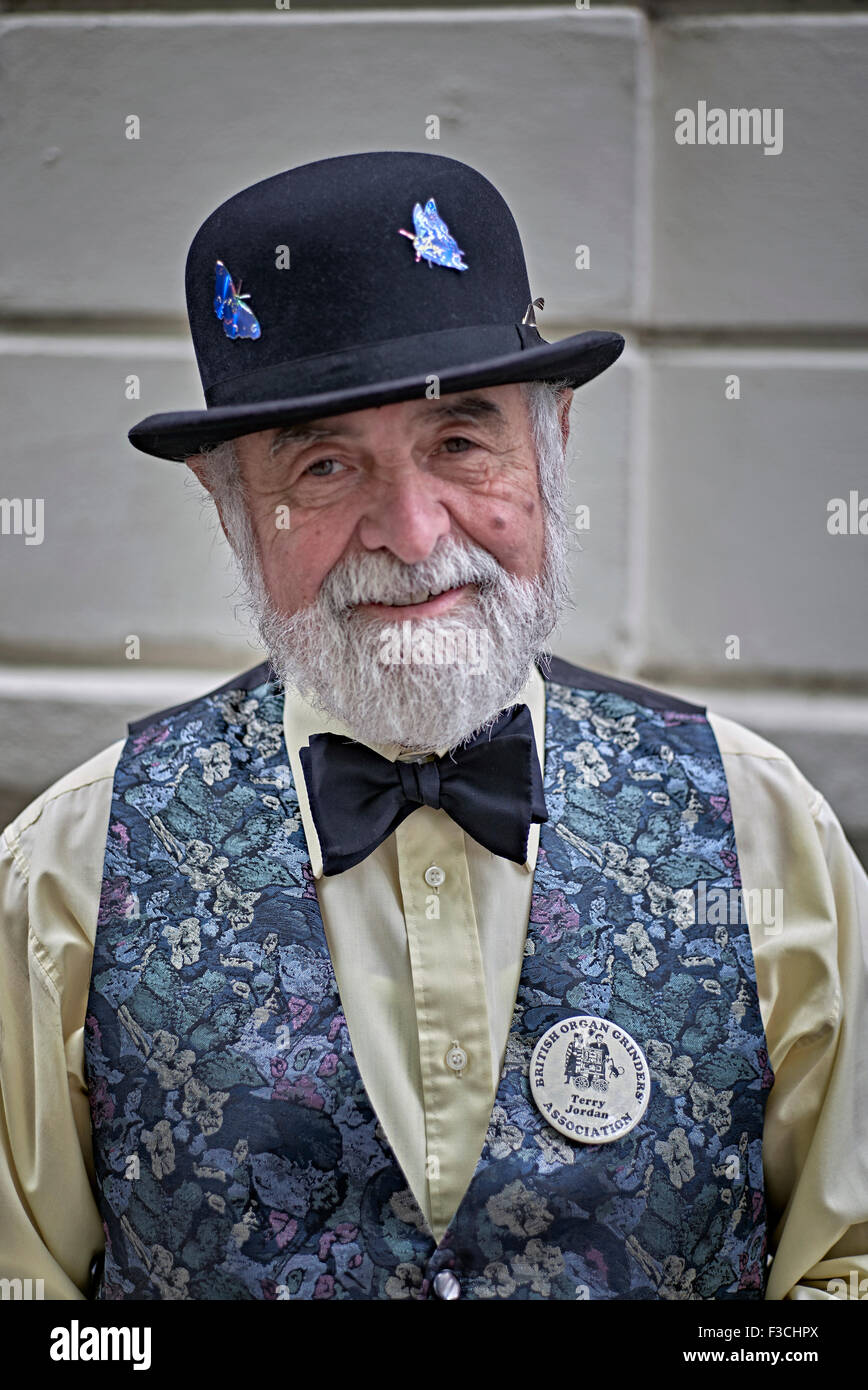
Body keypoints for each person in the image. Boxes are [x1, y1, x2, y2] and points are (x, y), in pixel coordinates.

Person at [1, 151, 866, 1302]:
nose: (411, 536)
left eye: (461, 442)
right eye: (322, 464)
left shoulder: (764, 826)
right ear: (229, 510)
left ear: (552, 450)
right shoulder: (69, 868)